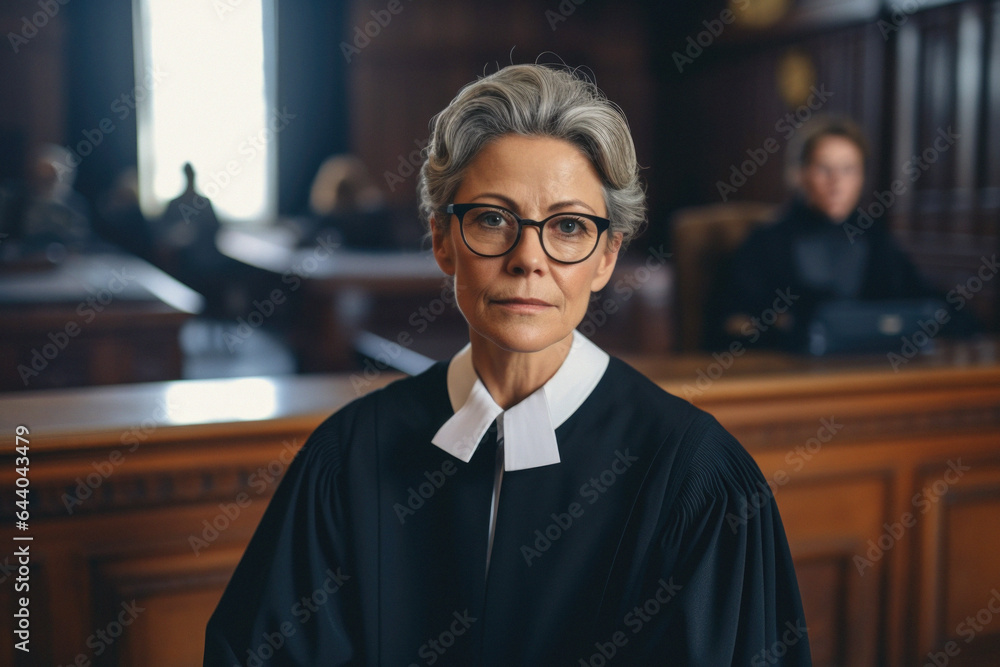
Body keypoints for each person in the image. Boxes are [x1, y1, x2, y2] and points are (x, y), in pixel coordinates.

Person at [204, 64, 812, 665]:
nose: (528, 259)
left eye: (569, 227)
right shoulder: (348, 456)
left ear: (605, 258)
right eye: (493, 219)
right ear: (443, 240)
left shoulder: (700, 483)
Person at [718, 118, 970, 351]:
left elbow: (925, 299)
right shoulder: (766, 242)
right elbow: (732, 323)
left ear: (861, 178)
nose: (837, 183)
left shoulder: (875, 239)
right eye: (824, 168)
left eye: (849, 170)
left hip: (865, 375)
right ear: (800, 174)